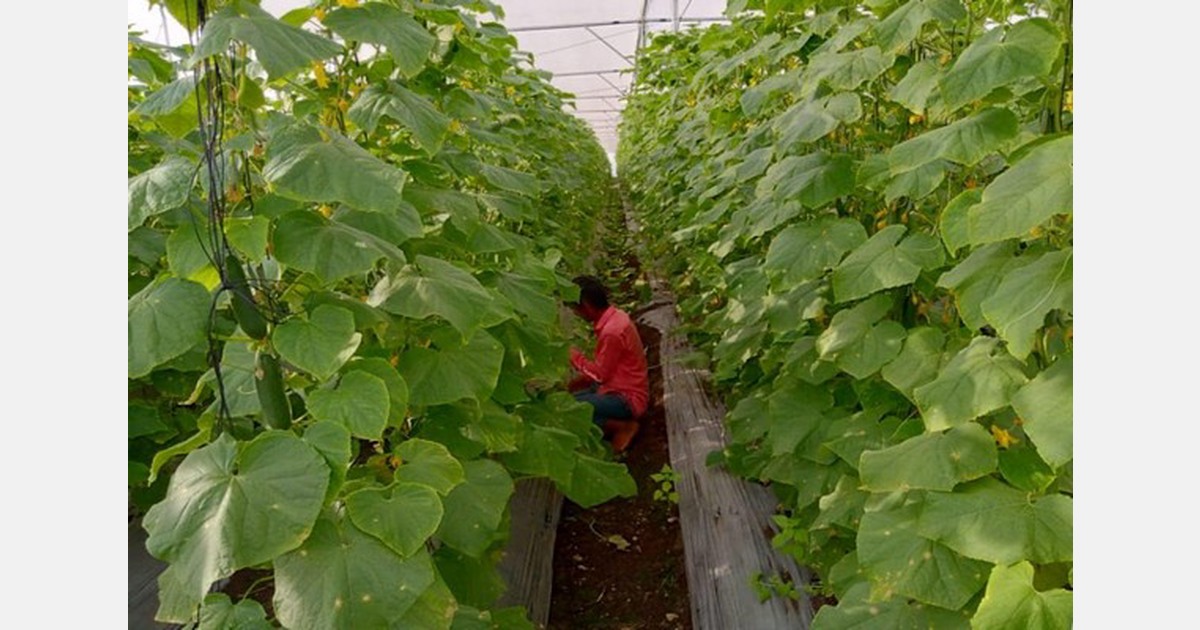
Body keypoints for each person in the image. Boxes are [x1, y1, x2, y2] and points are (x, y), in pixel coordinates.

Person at [566, 275, 649, 453]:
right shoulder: (616, 317)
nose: (575, 314)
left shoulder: (612, 332)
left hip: (627, 398)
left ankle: (622, 427)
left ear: (586, 306)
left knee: (571, 409)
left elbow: (600, 375)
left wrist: (572, 355)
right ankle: (615, 422)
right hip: (619, 387)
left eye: (575, 309)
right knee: (569, 399)